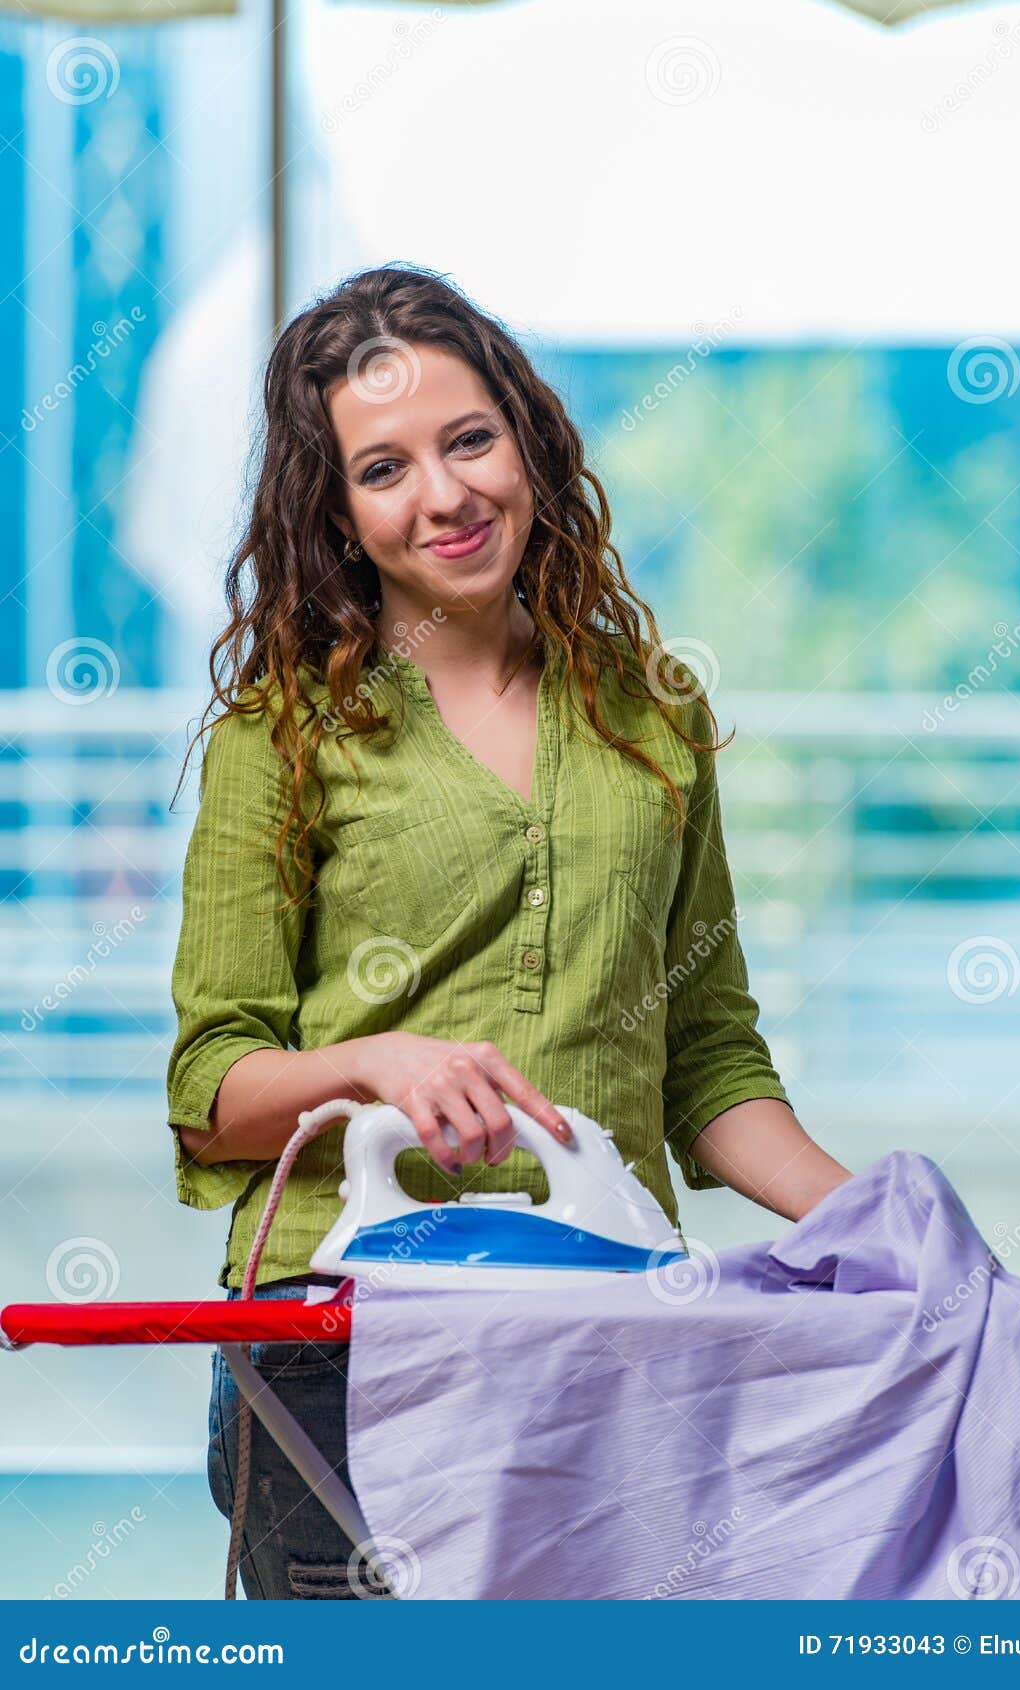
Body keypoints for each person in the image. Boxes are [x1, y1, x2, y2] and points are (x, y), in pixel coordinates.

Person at [167, 263, 854, 1599]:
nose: (444, 493)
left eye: (469, 439)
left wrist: (879, 1224)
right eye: (384, 467)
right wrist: (376, 1062)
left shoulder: (650, 711)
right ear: (339, 510)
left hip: (613, 1333)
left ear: (527, 440)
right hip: (346, 1355)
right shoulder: (283, 740)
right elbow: (211, 1098)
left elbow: (708, 1065)